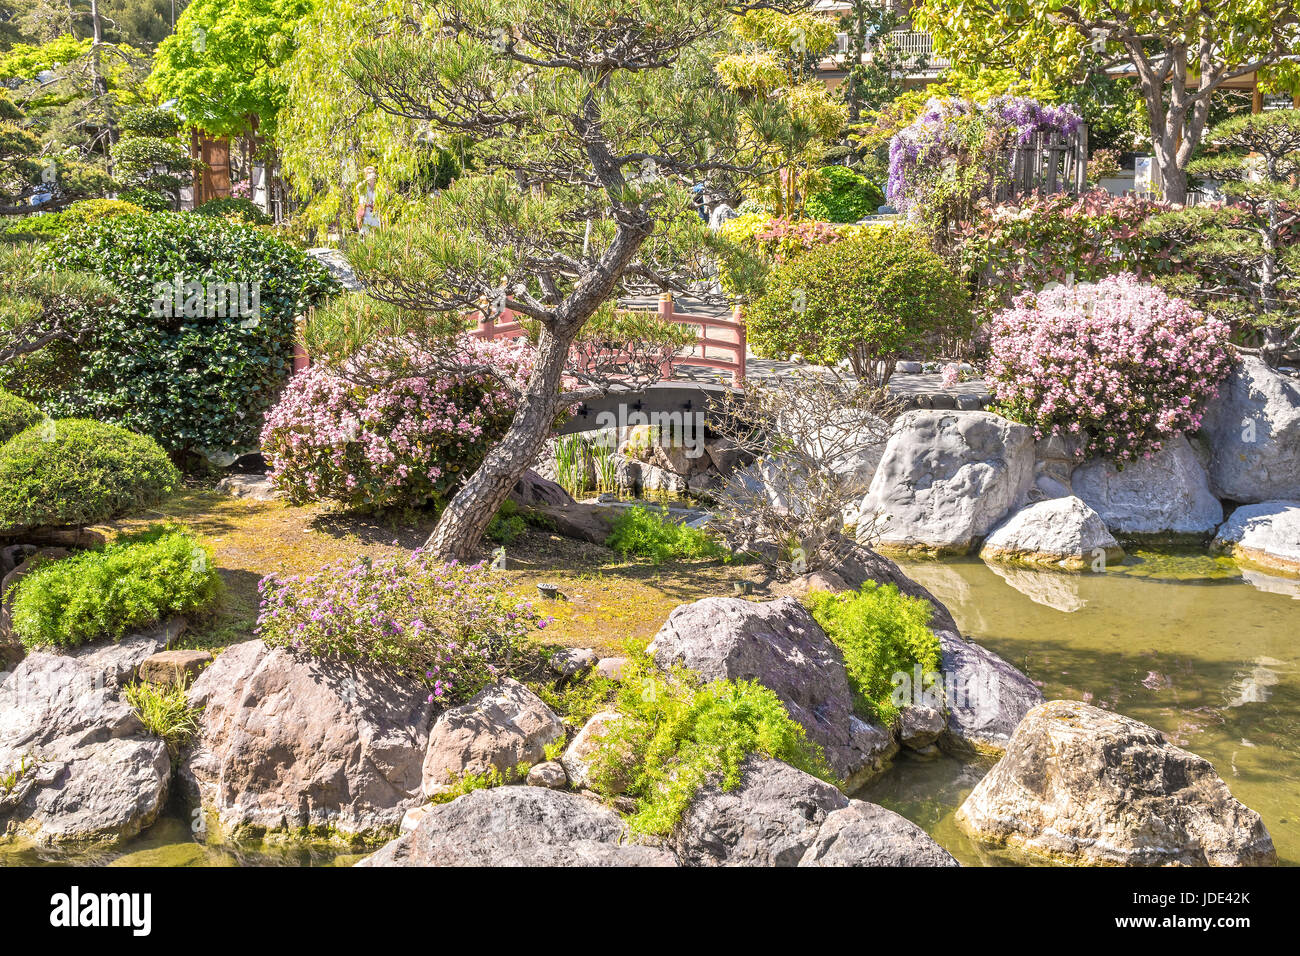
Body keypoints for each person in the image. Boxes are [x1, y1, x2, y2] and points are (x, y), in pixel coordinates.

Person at [355, 166, 382, 234]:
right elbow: (357, 187)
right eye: (369, 173)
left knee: (376, 232)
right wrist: (367, 179)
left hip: (374, 212)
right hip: (365, 212)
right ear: (366, 174)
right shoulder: (363, 186)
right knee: (364, 232)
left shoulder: (377, 187)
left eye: (372, 172)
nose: (371, 174)